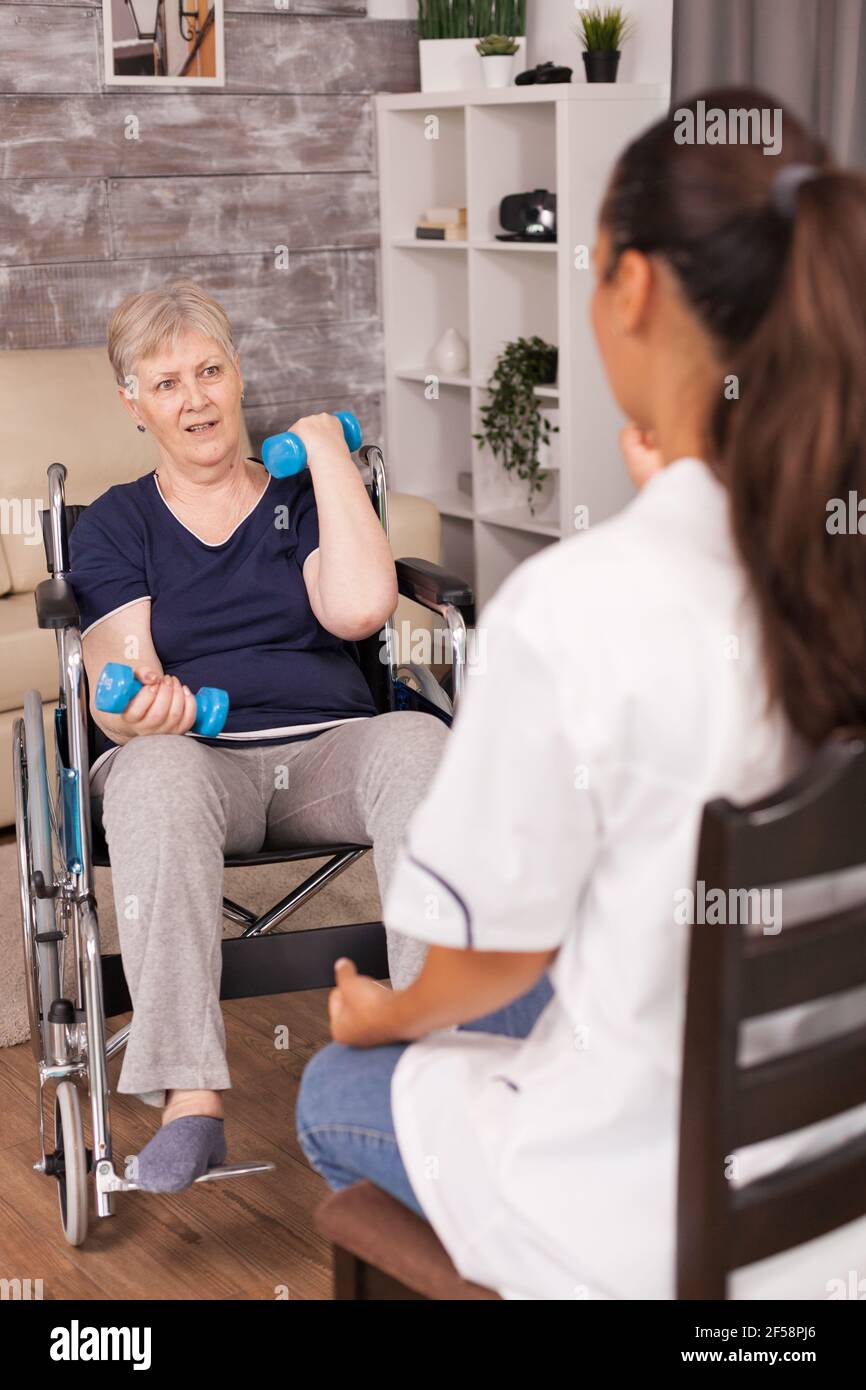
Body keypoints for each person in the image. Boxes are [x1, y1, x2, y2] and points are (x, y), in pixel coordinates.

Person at [296, 89, 866, 1299]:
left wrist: (385, 1016)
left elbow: (491, 958)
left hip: (652, 1218)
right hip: (839, 1171)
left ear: (637, 291)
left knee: (332, 1084)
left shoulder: (576, 609)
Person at [68, 280, 447, 1193]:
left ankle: (440, 1061)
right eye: (166, 383)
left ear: (239, 375)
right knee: (150, 772)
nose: (195, 397)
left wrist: (327, 461)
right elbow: (116, 683)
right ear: (132, 404)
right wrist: (142, 714)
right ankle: (190, 1101)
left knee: (418, 744)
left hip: (328, 752)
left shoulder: (300, 492)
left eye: (210, 370)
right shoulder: (119, 522)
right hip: (199, 761)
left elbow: (360, 610)